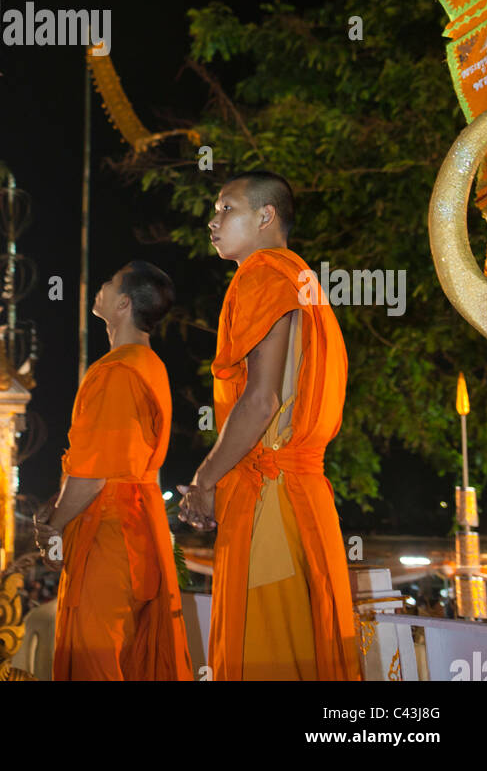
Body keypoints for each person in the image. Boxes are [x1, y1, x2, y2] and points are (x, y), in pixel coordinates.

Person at [178, 171, 361, 681]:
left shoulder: (261, 274)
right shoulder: (302, 279)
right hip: (301, 493)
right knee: (303, 648)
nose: (212, 222)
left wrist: (204, 479)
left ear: (265, 216)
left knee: (268, 654)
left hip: (271, 497)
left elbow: (261, 401)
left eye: (225, 209)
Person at [35, 261, 194, 681]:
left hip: (110, 531)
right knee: (128, 660)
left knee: (95, 660)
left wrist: (53, 525)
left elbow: (93, 475)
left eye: (108, 282)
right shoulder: (149, 366)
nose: (100, 286)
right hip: (141, 528)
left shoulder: (117, 371)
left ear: (122, 304)